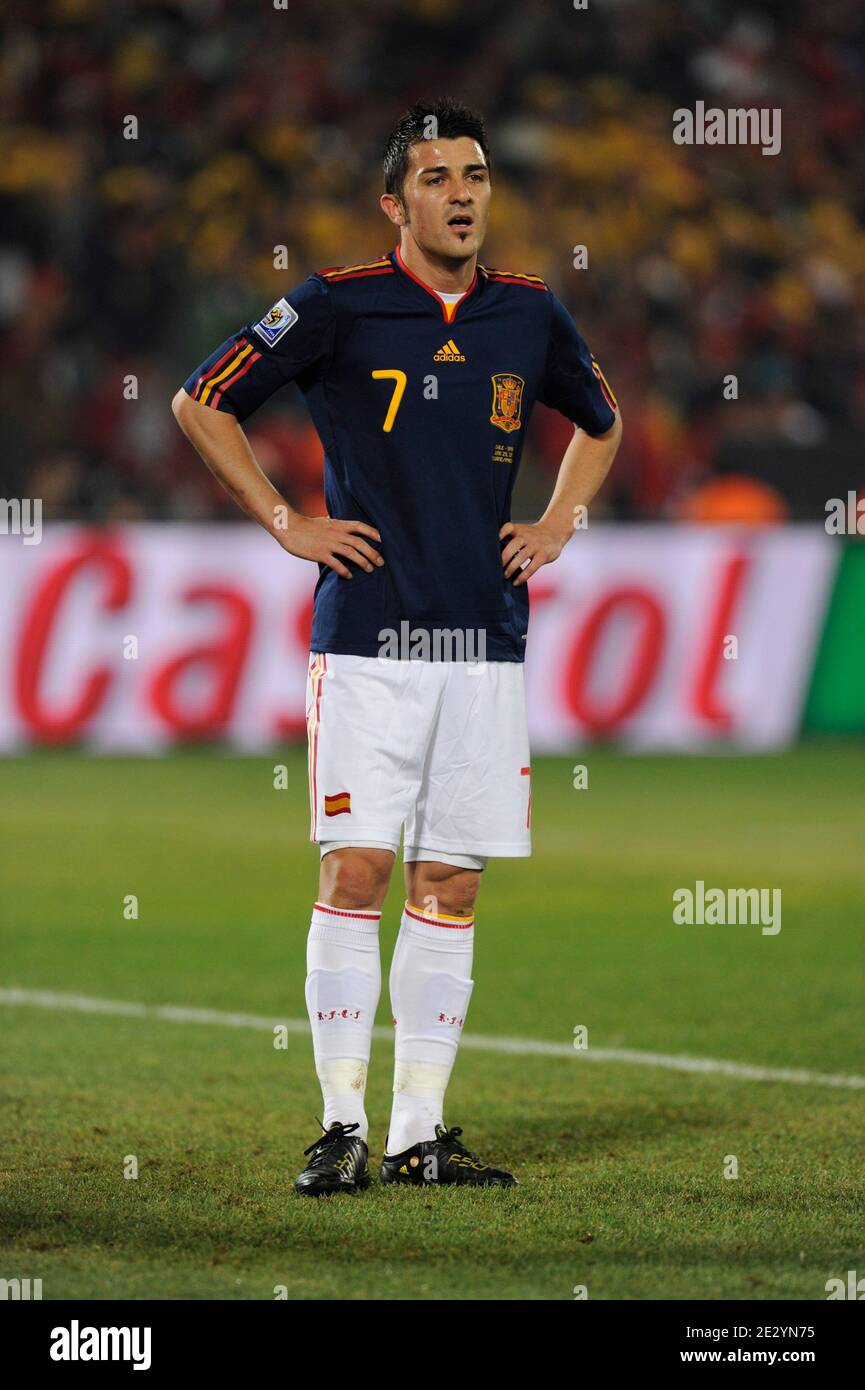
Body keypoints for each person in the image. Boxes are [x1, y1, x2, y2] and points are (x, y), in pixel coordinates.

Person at [172, 97, 622, 1195]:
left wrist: (558, 524)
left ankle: (419, 1133)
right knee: (358, 868)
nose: (463, 193)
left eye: (474, 174)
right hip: (370, 637)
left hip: (484, 642)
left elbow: (602, 424)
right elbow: (201, 402)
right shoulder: (336, 305)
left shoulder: (528, 314)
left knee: (450, 886)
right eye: (436, 177)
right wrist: (288, 523)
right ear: (394, 201)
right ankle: (340, 1122)